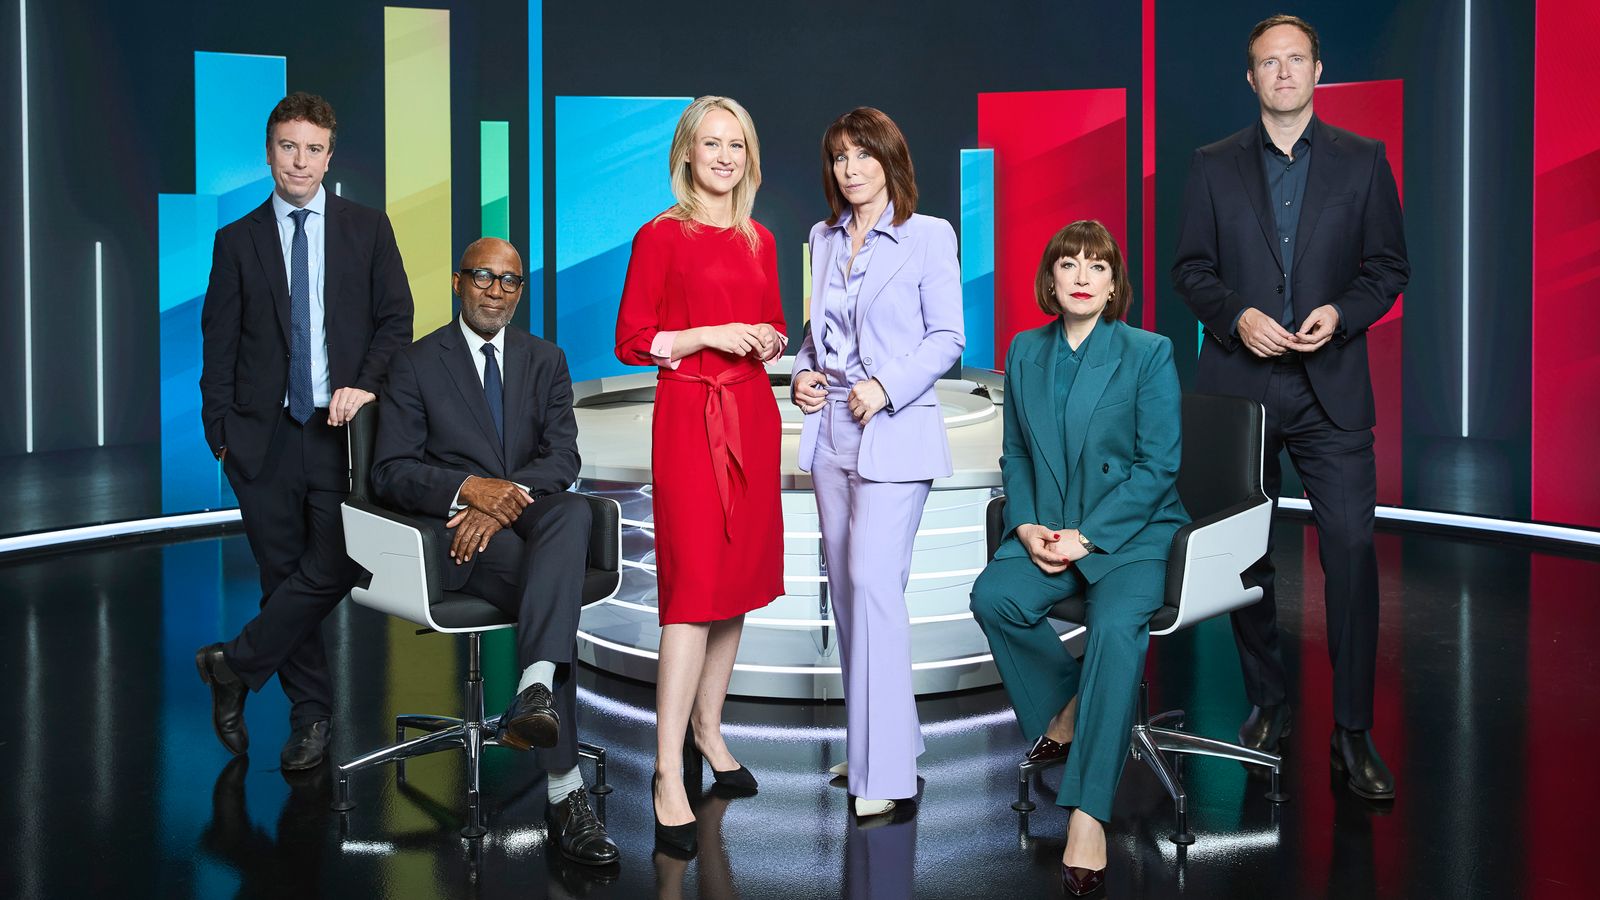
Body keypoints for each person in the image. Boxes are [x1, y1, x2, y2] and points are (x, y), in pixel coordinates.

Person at [1172, 13, 1409, 801]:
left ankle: (1351, 732)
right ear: (1251, 79)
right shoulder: (1211, 167)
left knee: (1349, 556)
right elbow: (1191, 269)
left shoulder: (1364, 162)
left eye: (1295, 59)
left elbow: (1387, 267)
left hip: (1330, 387)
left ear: (1317, 70)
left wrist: (1341, 313)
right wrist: (1235, 315)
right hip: (1241, 389)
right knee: (1247, 558)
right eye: (1267, 63)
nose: (1282, 73)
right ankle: (1268, 701)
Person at [369, 237, 619, 866]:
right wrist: (467, 492)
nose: (496, 291)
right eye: (483, 277)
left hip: (531, 519)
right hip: (461, 539)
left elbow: (564, 458)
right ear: (459, 282)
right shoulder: (418, 362)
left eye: (509, 281)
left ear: (519, 292)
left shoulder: (546, 360)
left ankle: (533, 686)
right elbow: (391, 470)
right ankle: (564, 795)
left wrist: (501, 495)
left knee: (567, 511)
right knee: (553, 594)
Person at [196, 92, 413, 771]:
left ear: (329, 155)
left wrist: (366, 382)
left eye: (312, 148)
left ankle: (235, 664)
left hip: (340, 433)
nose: (300, 160)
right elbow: (219, 345)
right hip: (260, 441)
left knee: (338, 562)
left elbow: (394, 321)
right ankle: (311, 720)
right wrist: (223, 438)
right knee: (281, 576)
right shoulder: (236, 241)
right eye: (288, 146)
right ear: (269, 152)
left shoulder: (367, 229)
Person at [970, 220, 1188, 896]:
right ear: (1053, 279)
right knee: (993, 597)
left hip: (1129, 536)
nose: (1084, 276)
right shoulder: (1026, 350)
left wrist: (1087, 538)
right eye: (1070, 264)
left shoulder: (1148, 351)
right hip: (1050, 528)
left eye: (1098, 265)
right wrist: (1030, 525)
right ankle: (1068, 713)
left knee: (1116, 633)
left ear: (1114, 282)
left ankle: (1088, 811)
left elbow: (1159, 468)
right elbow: (1019, 453)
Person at [613, 95, 787, 855]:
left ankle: (711, 734)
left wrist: (771, 339)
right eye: (711, 143)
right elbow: (631, 339)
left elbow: (777, 323)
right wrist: (708, 335)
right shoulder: (660, 235)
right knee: (690, 592)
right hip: (690, 419)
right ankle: (665, 772)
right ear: (686, 153)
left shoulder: (762, 238)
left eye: (736, 144)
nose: (724, 156)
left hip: (752, 416)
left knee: (736, 584)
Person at [791, 107, 963, 818]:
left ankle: (886, 774)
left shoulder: (929, 236)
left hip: (892, 430)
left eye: (864, 155)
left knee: (873, 585)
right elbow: (819, 334)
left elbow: (948, 336)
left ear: (892, 160)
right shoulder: (821, 239)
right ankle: (875, 745)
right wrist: (802, 372)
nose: (851, 168)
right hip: (830, 432)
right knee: (851, 591)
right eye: (839, 158)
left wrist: (885, 386)